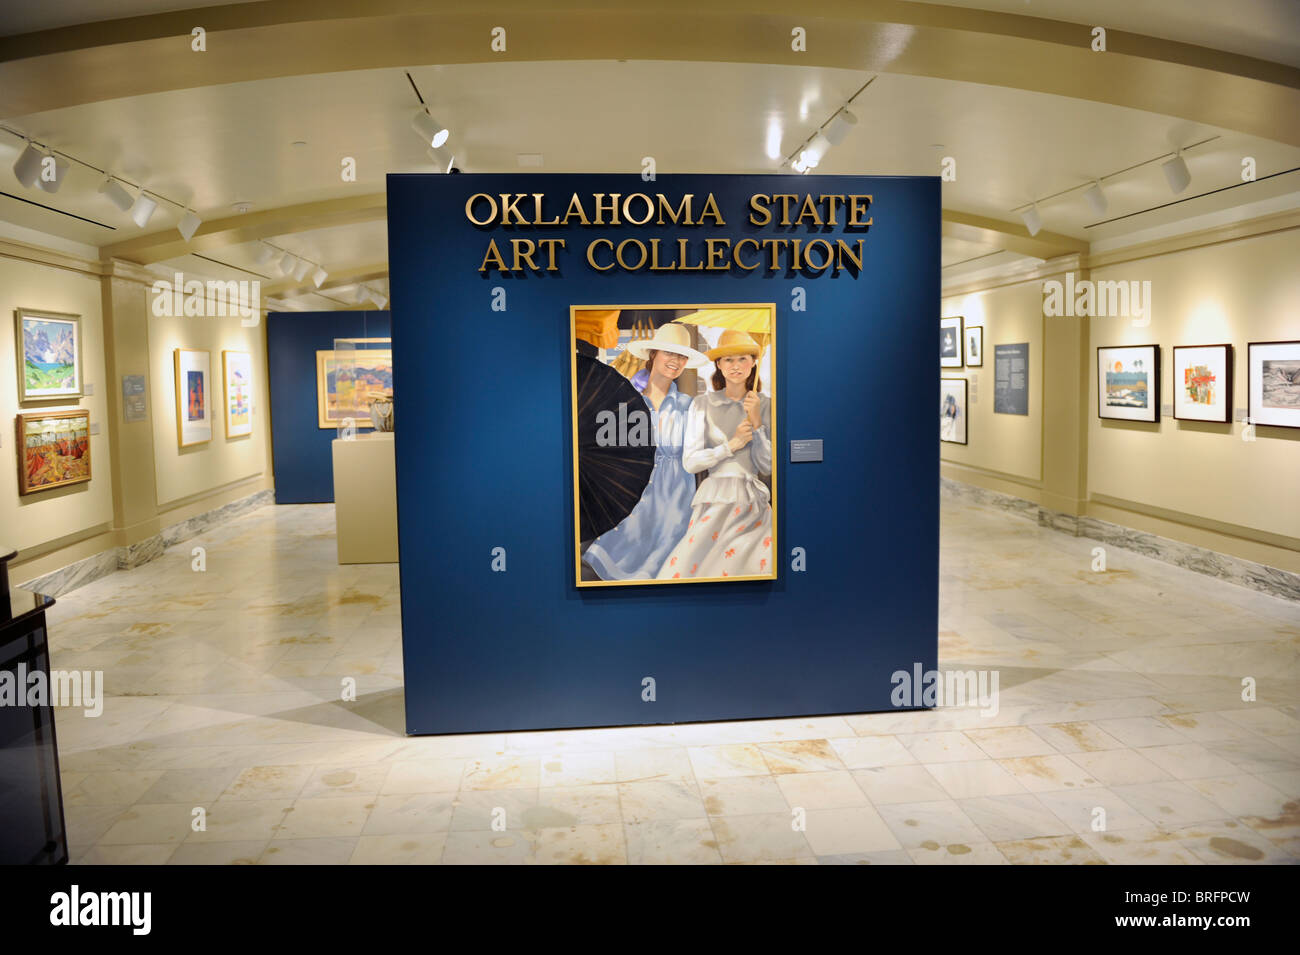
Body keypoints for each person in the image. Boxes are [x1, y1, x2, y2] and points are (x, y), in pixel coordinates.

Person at [582, 322, 708, 580]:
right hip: (635, 492)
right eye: (669, 353)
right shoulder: (626, 401)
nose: (676, 361)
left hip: (677, 497)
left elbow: (698, 454)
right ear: (654, 354)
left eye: (682, 355)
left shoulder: (689, 405)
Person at [656, 329, 773, 580]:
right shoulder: (702, 404)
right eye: (728, 359)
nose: (736, 366)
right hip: (715, 499)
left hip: (752, 502)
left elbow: (768, 466)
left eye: (743, 358)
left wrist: (757, 424)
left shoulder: (765, 405)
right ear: (718, 365)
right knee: (697, 567)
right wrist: (730, 446)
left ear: (754, 362)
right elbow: (690, 462)